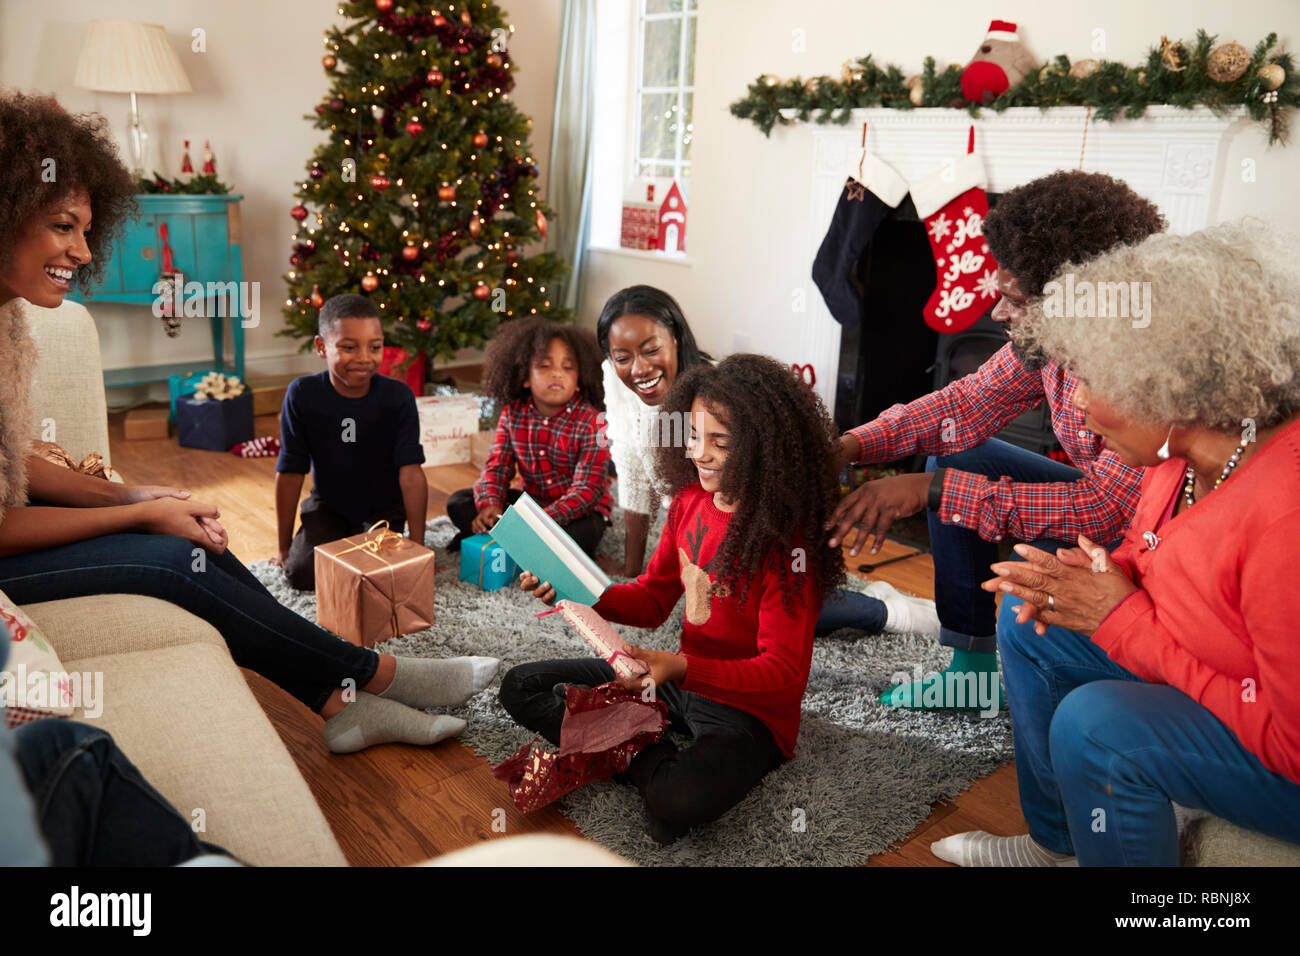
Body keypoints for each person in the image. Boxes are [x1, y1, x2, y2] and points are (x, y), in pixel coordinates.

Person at [0, 91, 496, 756]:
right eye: (64, 227)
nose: (84, 252)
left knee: (190, 533)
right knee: (175, 560)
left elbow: (10, 462)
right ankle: (381, 673)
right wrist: (135, 516)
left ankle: (341, 703)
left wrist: (135, 493)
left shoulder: (9, 317)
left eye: (88, 230)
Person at [933, 223, 1300, 866]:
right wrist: (1100, 571)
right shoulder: (1178, 455)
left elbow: (1290, 744)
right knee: (1032, 625)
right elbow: (1154, 550)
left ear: (1171, 388)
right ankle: (1059, 846)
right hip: (1217, 668)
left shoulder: (1284, 519)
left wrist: (1121, 619)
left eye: (1094, 376)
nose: (1077, 403)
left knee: (1095, 727)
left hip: (1284, 751)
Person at [826, 170, 1165, 710]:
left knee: (946, 475)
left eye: (1015, 298)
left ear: (1075, 298)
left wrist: (931, 492)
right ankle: (972, 673)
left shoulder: (1145, 370)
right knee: (958, 447)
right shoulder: (1051, 340)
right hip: (1110, 507)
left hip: (1151, 544)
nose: (998, 312)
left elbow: (1110, 511)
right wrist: (851, 445)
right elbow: (963, 406)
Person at [503, 355, 846, 844]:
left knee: (676, 804)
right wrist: (576, 592)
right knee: (521, 685)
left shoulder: (789, 545)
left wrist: (681, 668)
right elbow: (650, 600)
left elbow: (783, 672)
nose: (700, 454)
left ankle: (631, 747)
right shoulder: (689, 503)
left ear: (766, 451)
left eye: (721, 443)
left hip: (749, 710)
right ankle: (640, 748)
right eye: (693, 436)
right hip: (676, 681)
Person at [273, 293, 427, 591]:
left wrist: (418, 548)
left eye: (375, 347)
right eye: (348, 347)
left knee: (384, 575)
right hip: (328, 505)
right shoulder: (302, 395)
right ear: (322, 347)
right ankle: (320, 540)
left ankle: (368, 541)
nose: (364, 358)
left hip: (383, 510)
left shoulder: (398, 397)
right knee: (302, 574)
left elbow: (411, 473)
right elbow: (291, 472)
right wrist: (282, 549)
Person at [446, 316, 611, 556]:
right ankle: (522, 544)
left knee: (580, 536)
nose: (557, 374)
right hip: (530, 502)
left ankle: (509, 541)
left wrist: (541, 521)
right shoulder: (513, 414)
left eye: (567, 367)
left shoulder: (594, 421)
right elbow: (497, 467)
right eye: (545, 365)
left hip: (576, 512)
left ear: (579, 380)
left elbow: (586, 491)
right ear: (524, 376)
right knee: (459, 502)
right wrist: (490, 504)